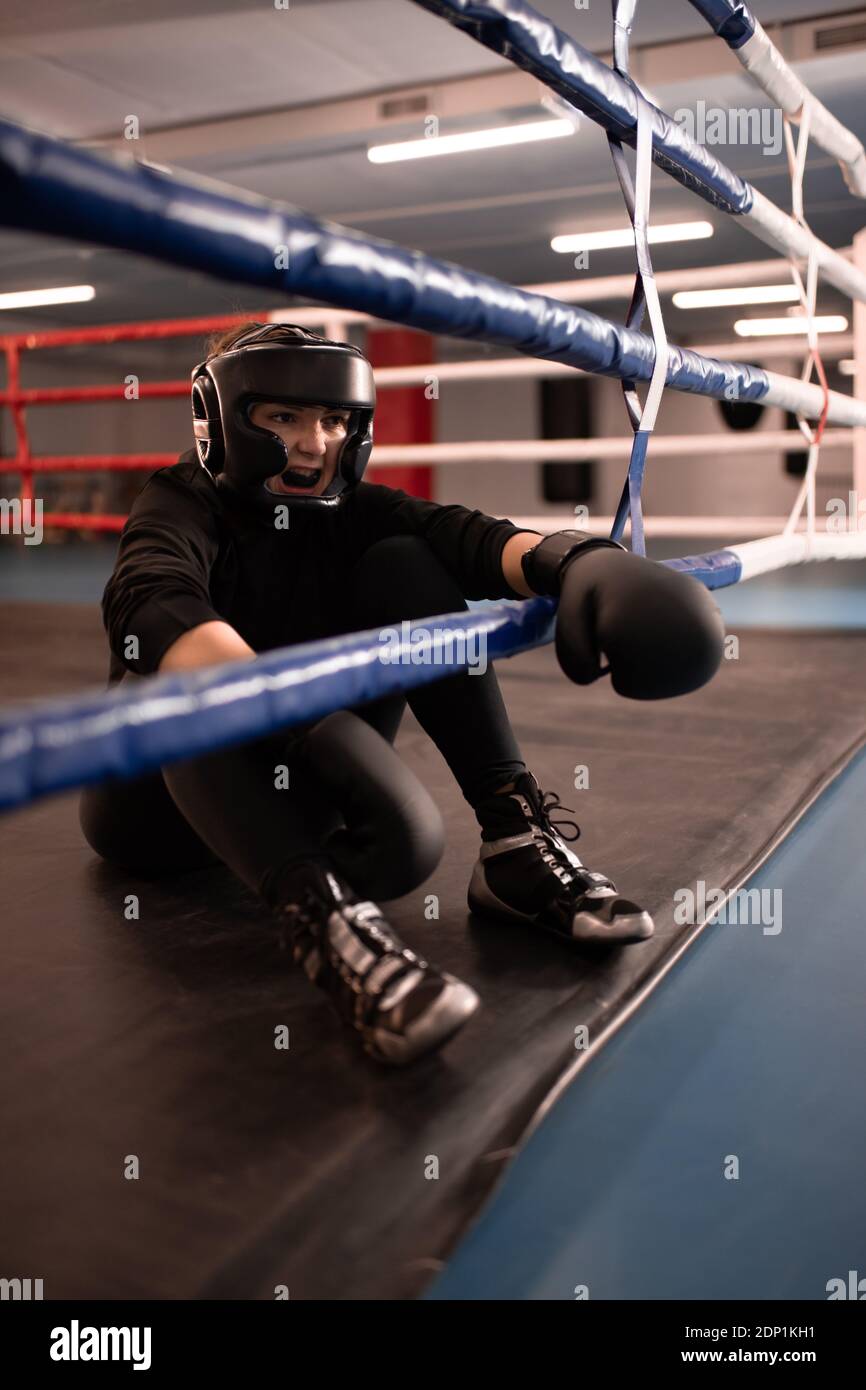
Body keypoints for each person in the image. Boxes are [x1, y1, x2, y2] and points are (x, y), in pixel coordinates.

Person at [79, 322, 724, 1067]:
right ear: (222, 418)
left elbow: (470, 540)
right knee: (174, 675)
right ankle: (329, 928)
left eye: (332, 420)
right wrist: (299, 718)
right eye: (282, 417)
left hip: (318, 782)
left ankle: (514, 845)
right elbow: (150, 597)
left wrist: (583, 563)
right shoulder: (176, 504)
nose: (315, 443)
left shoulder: (349, 510)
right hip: (156, 818)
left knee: (407, 563)